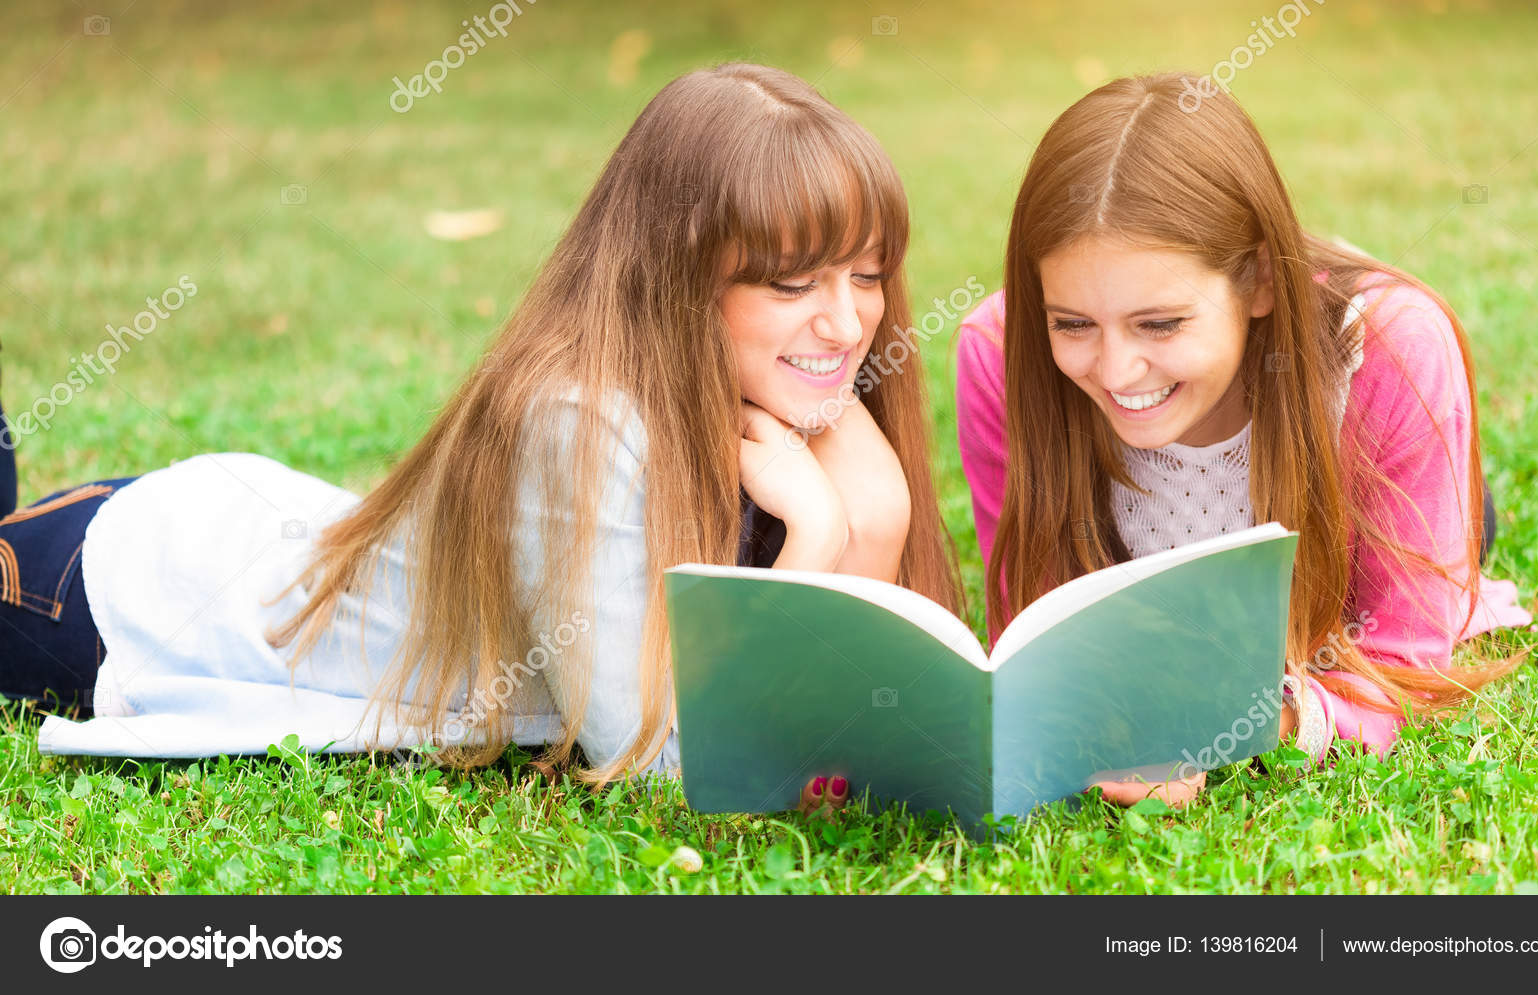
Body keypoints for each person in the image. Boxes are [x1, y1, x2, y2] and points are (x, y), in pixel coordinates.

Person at [1, 63, 962, 821]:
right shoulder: (578, 421)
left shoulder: (809, 409)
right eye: (791, 285)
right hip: (128, 593)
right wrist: (826, 539)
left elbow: (854, 736)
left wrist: (877, 518)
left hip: (268, 530)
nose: (846, 324)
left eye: (868, 275)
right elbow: (665, 768)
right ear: (679, 271)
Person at [955, 72, 1532, 807]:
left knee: (1459, 523)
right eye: (1073, 323)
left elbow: (1400, 658)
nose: (1114, 369)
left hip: (1348, 473)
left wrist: (1228, 724)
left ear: (1259, 280)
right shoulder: (1000, 353)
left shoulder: (1395, 350)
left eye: (1159, 323)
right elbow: (1032, 633)